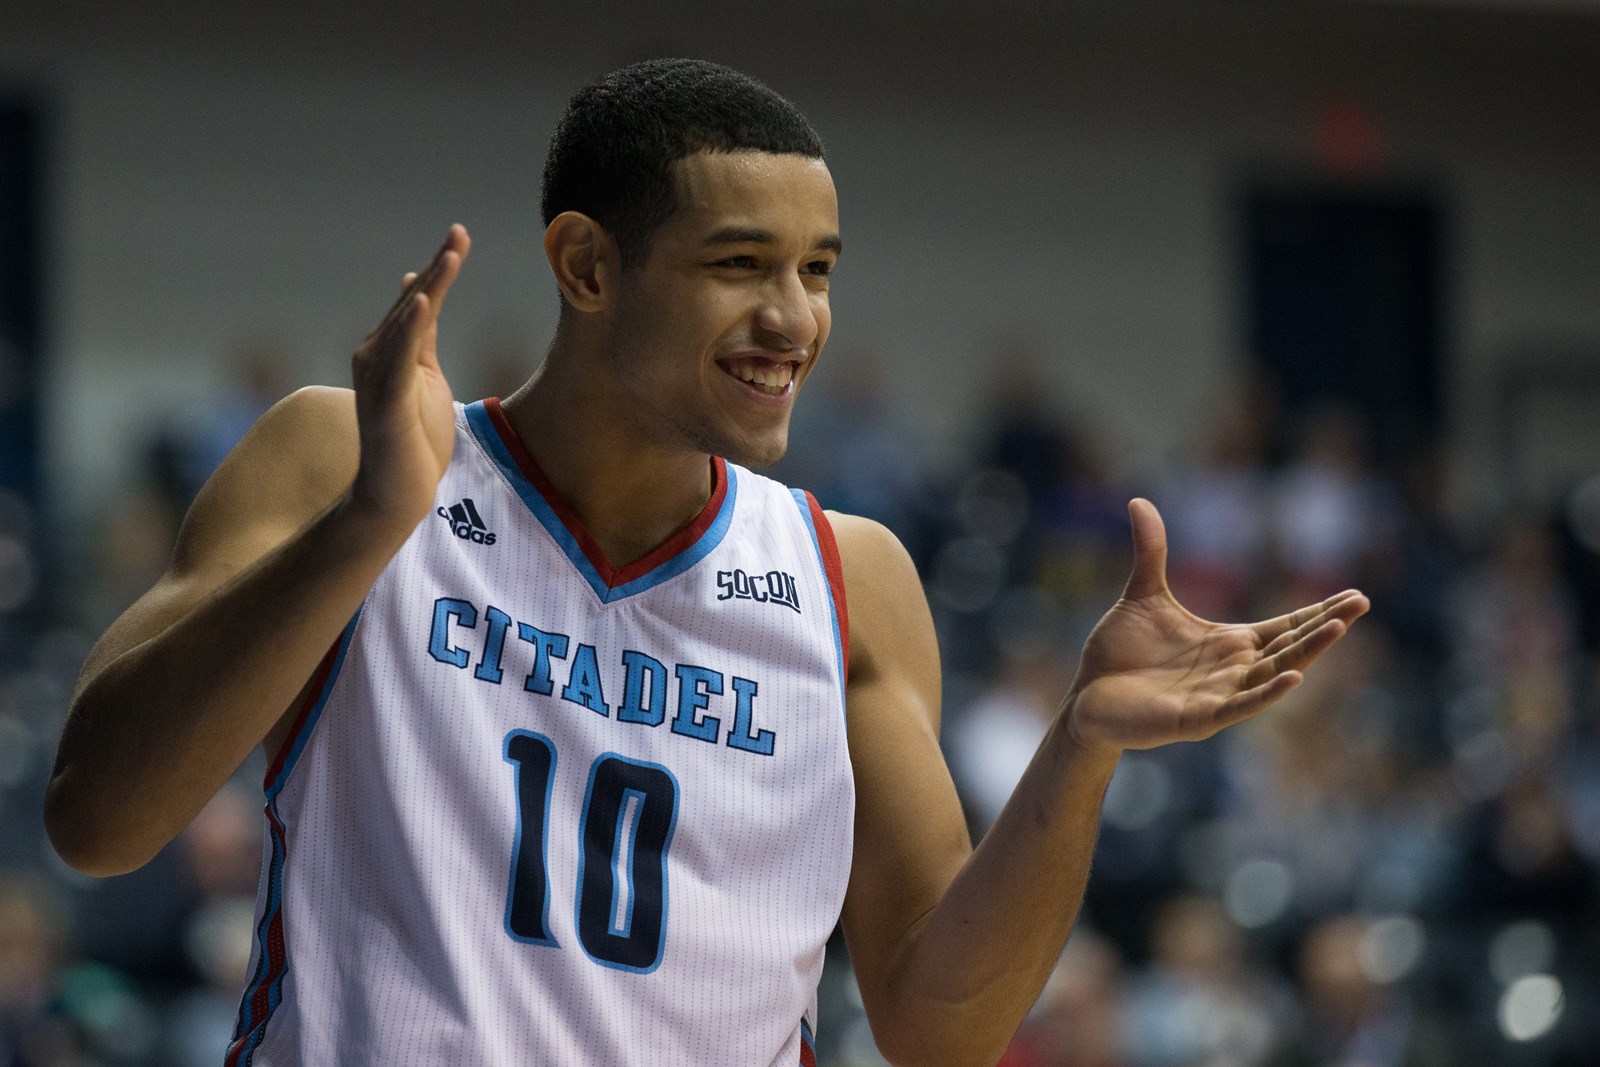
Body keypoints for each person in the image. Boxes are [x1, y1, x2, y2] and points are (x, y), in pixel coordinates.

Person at [43, 59, 1369, 1066]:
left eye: (818, 270)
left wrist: (1078, 751)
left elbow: (939, 1026)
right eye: (742, 265)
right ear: (587, 266)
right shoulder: (351, 460)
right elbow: (95, 818)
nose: (793, 319)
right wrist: (364, 530)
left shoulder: (851, 578)